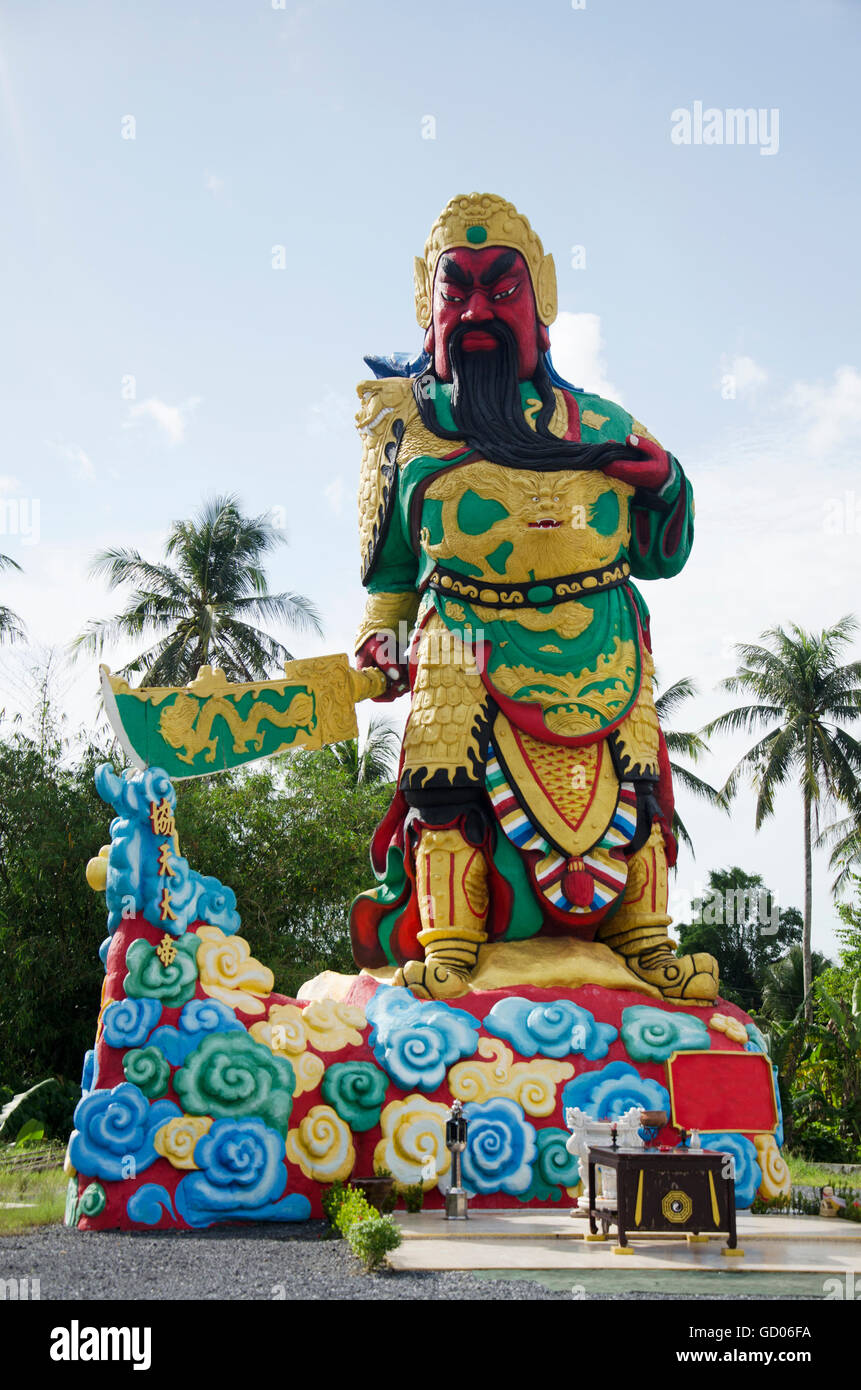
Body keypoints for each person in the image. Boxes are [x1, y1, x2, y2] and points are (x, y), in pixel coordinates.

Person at [349, 192, 718, 1005]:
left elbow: (665, 551)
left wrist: (662, 483)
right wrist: (381, 637)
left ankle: (642, 936)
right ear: (427, 302)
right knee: (440, 785)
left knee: (638, 789)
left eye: (500, 288)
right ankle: (451, 941)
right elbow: (388, 577)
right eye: (458, 290)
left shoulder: (602, 422)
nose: (477, 309)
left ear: (541, 295)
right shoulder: (403, 433)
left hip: (604, 636)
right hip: (460, 642)